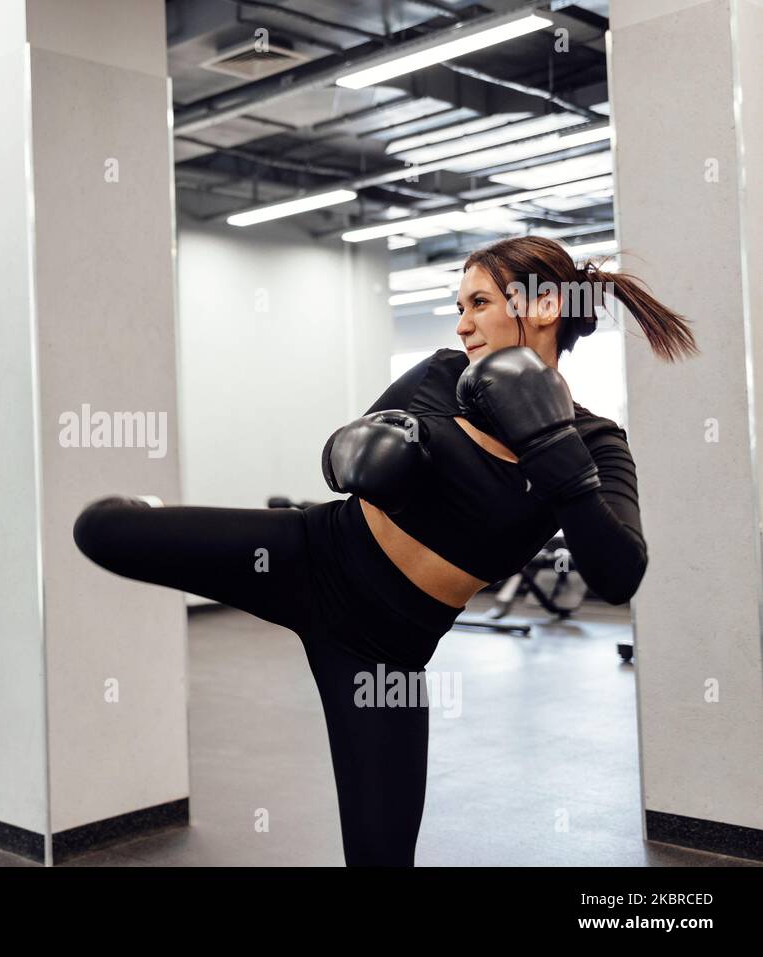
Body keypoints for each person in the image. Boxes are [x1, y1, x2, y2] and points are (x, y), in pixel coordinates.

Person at [71, 235, 698, 866]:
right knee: (100, 530)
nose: (462, 323)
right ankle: (155, 513)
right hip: (307, 556)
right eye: (460, 305)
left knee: (381, 859)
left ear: (542, 307)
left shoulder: (593, 441)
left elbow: (618, 573)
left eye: (478, 302)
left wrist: (553, 447)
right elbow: (334, 460)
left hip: (384, 654)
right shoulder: (439, 374)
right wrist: (361, 448)